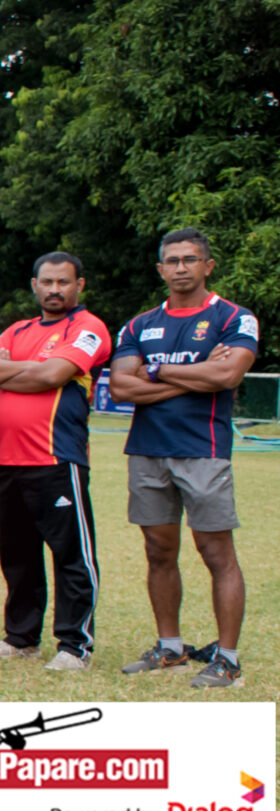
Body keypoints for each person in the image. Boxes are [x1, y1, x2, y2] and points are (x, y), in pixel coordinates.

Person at [108, 227, 257, 687]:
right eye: (171, 260)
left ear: (207, 265)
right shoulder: (138, 324)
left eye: (189, 259)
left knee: (216, 552)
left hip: (203, 450)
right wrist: (197, 373)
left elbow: (229, 374)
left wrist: (154, 370)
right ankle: (170, 647)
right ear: (160, 269)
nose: (180, 267)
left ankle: (227, 658)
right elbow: (120, 387)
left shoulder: (234, 317)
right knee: (158, 551)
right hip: (147, 450)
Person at [0, 252, 111, 672]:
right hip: (8, 461)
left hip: (56, 459)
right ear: (34, 285)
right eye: (47, 282)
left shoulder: (88, 327)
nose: (54, 290)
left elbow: (54, 376)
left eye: (63, 282)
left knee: (71, 554)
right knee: (17, 554)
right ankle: (21, 638)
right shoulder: (19, 328)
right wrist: (39, 368)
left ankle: (74, 646)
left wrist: (17, 370)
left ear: (79, 285)